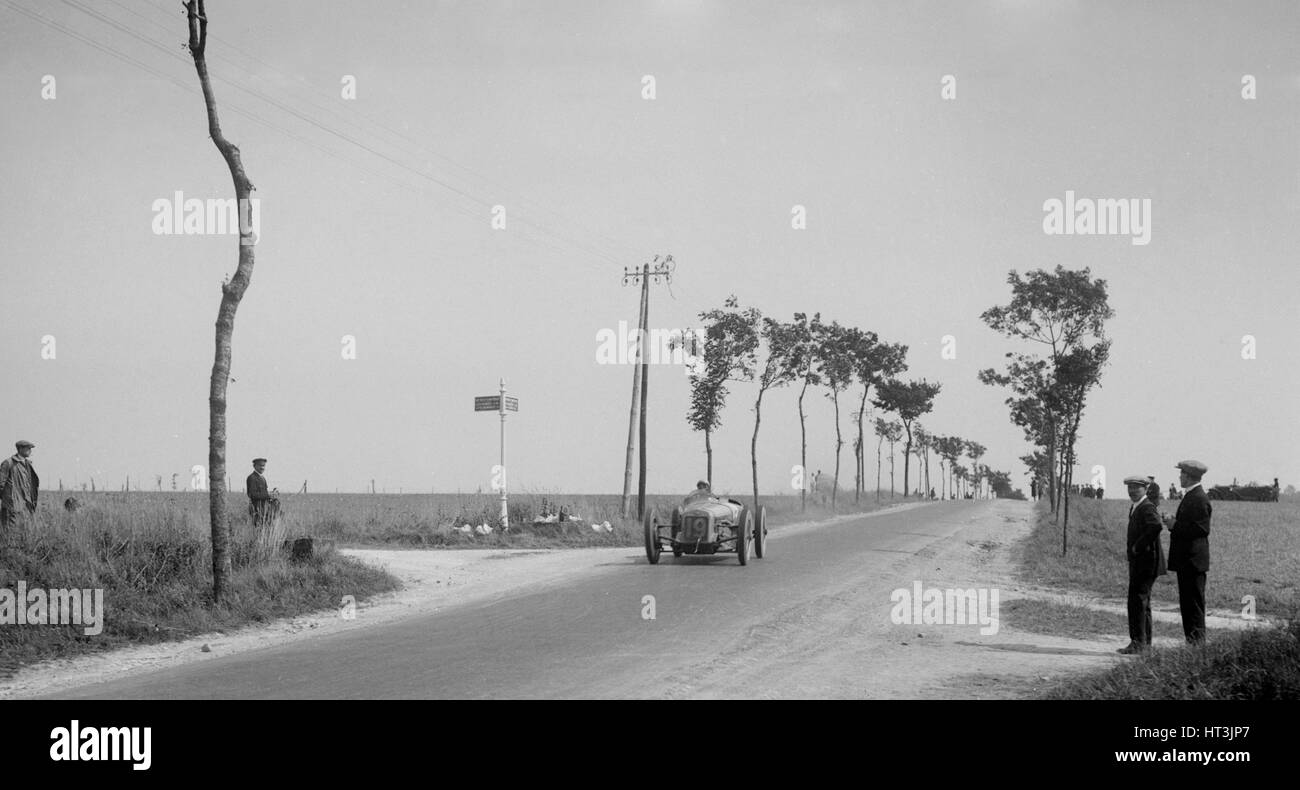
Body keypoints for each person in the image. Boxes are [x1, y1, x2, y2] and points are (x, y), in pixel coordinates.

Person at [1164, 460, 1211, 645]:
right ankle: (1192, 644)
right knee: (1188, 604)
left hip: (1193, 561)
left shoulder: (1199, 498)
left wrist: (1175, 525)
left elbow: (1201, 530)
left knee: (1193, 605)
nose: (1179, 476)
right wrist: (1174, 522)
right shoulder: (1192, 496)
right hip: (1188, 561)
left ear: (1190, 476)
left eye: (1182, 474)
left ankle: (1197, 646)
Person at [1119, 475, 1166, 654]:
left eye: (1136, 488)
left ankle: (1138, 643)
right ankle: (1143, 643)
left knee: (1137, 601)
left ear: (1146, 489)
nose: (1132, 491)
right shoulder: (1137, 506)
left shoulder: (1146, 507)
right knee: (1142, 602)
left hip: (1146, 562)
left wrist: (1138, 547)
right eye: (1130, 488)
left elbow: (1155, 526)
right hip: (1142, 562)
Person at [0, 440, 40, 535]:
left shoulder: (28, 464)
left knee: (23, 533)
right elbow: (0, 484)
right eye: (28, 448)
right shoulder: (8, 463)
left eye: (30, 448)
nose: (30, 450)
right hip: (11, 506)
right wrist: (8, 500)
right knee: (9, 533)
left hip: (26, 506)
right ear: (20, 449)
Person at [246, 457, 279, 527]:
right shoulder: (251, 478)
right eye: (260, 465)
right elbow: (252, 494)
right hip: (257, 509)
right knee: (259, 529)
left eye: (263, 466)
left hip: (265, 509)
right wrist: (268, 495)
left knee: (267, 528)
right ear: (254, 466)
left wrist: (272, 494)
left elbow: (263, 493)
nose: (262, 468)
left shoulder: (262, 478)